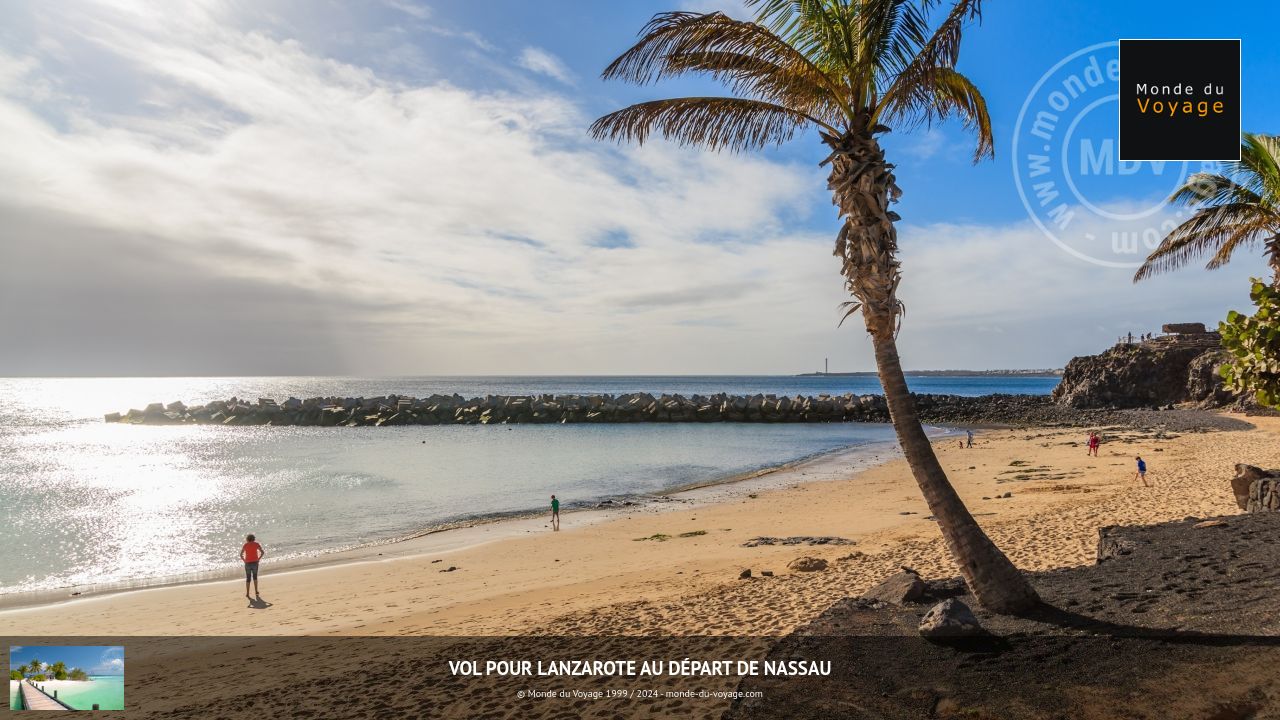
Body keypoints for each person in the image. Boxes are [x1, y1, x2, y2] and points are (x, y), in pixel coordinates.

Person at [240, 533, 265, 598]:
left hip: (247, 563)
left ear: (247, 539)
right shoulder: (256, 544)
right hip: (255, 562)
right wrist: (258, 559)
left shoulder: (245, 545)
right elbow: (262, 552)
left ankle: (247, 593)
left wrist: (244, 560)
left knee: (248, 578)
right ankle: (256, 591)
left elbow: (241, 554)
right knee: (255, 577)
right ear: (253, 539)